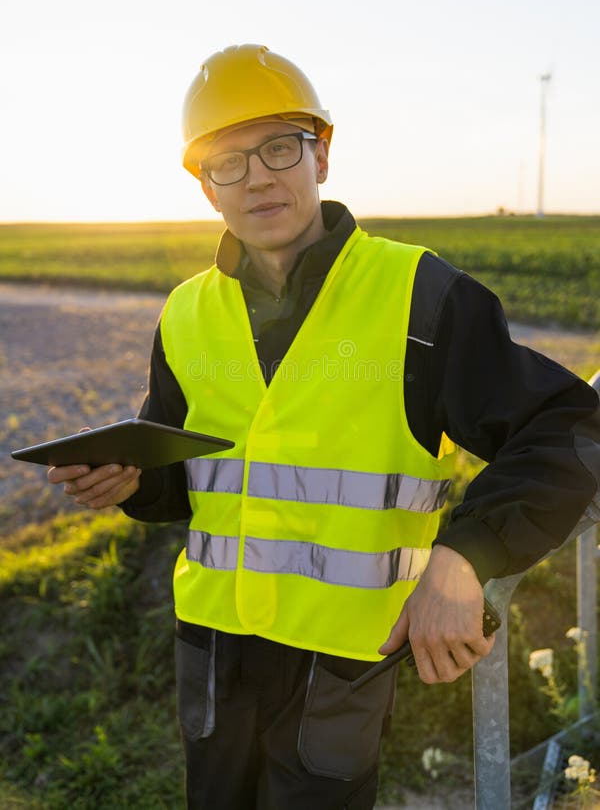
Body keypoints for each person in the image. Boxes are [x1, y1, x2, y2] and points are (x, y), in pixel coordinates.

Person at [48, 44, 600, 810]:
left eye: (280, 147)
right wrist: (132, 482)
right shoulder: (185, 312)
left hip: (341, 658)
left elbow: (569, 425)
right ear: (206, 189)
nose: (259, 177)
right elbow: (188, 471)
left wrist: (464, 556)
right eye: (227, 163)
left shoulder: (421, 297)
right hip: (211, 644)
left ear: (323, 155)